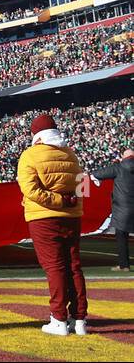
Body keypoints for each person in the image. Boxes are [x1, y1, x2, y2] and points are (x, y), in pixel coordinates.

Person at [17, 113, 87, 335]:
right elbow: (82, 187)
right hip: (72, 217)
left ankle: (58, 318)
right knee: (74, 266)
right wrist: (70, 203)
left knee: (55, 267)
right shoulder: (72, 155)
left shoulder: (30, 156)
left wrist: (58, 201)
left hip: (44, 217)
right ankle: (80, 319)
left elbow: (30, 190)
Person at [91, 148, 134, 271]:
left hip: (122, 209)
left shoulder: (118, 168)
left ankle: (124, 265)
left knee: (121, 236)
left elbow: (97, 174)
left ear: (123, 157)